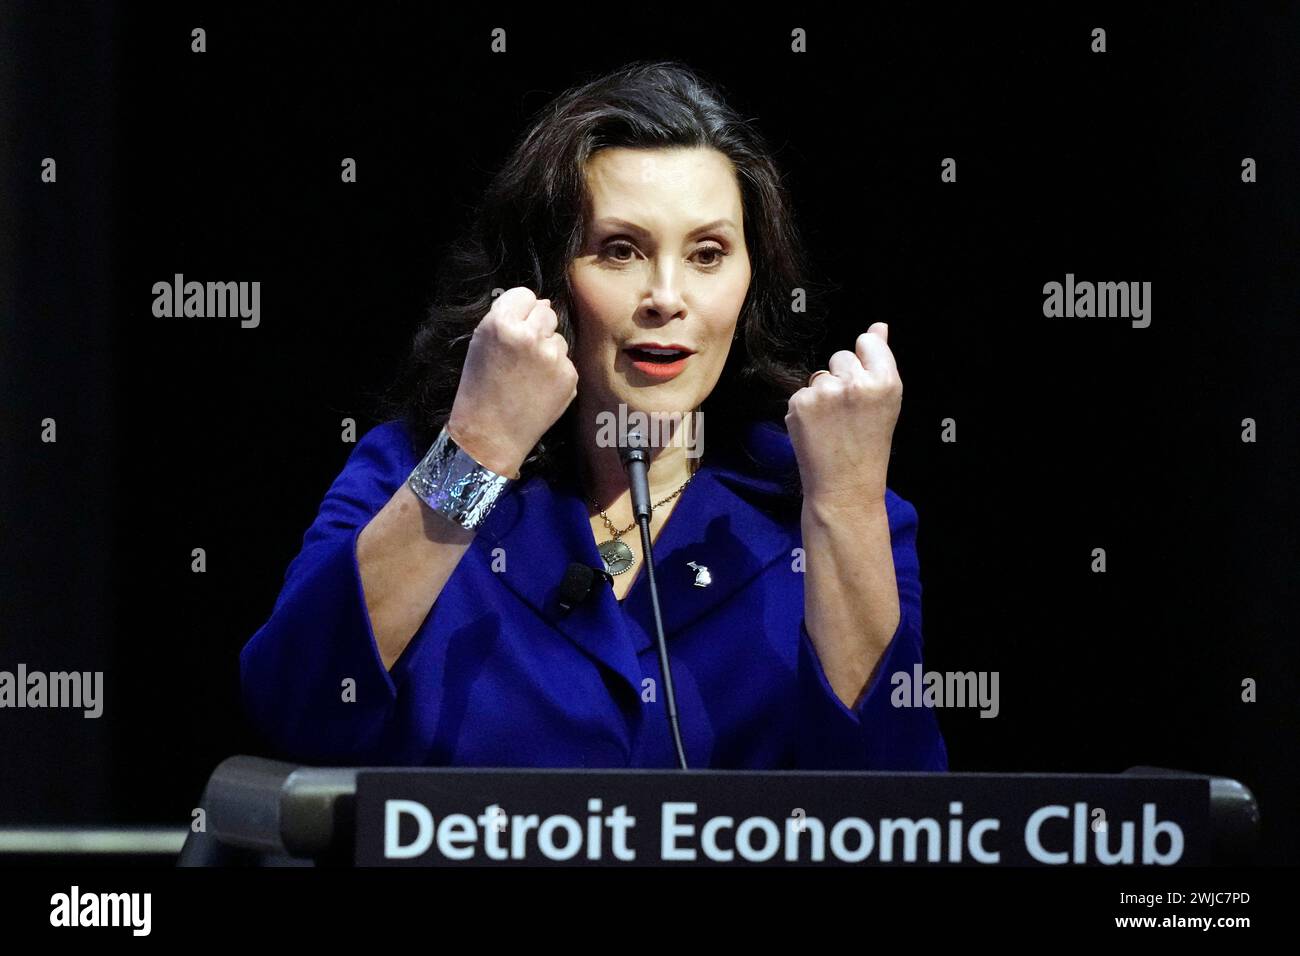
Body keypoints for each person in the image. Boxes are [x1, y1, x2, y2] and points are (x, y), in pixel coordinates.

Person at [238, 60, 948, 771]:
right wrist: (480, 447)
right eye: (619, 250)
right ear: (545, 278)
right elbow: (299, 709)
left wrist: (847, 506)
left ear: (751, 280)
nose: (666, 296)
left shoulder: (817, 509)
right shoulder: (411, 469)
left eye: (708, 254)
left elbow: (897, 809)